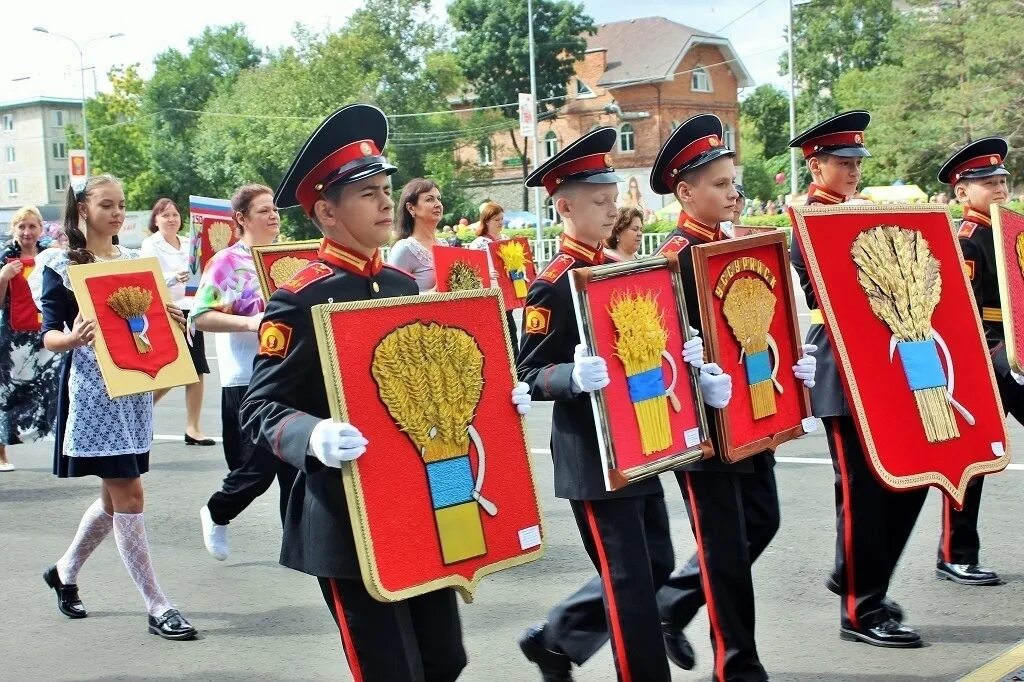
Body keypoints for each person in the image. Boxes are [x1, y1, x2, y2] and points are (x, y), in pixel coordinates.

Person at [239, 104, 532, 681]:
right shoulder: (300, 296)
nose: (382, 202)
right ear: (326, 211)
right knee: (390, 669)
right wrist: (314, 434)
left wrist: (498, 400)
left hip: (422, 500)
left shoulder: (401, 284)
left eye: (384, 188)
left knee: (444, 659)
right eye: (367, 192)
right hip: (347, 518)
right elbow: (259, 408)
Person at [515, 127, 728, 682]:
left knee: (655, 561)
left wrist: (687, 363)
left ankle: (557, 638)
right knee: (630, 582)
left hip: (641, 439)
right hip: (591, 454)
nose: (612, 210)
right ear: (564, 206)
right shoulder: (553, 283)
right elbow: (530, 372)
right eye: (599, 201)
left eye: (613, 198)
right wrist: (573, 376)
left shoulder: (621, 266)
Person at [649, 114, 816, 680]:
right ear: (684, 191)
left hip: (753, 414)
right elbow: (660, 352)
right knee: (722, 548)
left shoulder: (736, 244)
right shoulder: (672, 257)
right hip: (706, 429)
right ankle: (738, 667)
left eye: (732, 181)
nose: (733, 193)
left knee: (761, 522)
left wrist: (789, 368)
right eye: (719, 185)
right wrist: (698, 381)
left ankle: (671, 605)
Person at [789, 111, 925, 648]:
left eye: (855, 163)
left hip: (887, 361)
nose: (852, 172)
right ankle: (862, 609)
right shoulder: (808, 222)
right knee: (863, 493)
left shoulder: (860, 213)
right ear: (815, 165)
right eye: (841, 163)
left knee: (911, 475)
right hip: (842, 365)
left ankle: (857, 576)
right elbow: (840, 292)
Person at [39, 175, 196, 640]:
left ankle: (64, 572)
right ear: (83, 209)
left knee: (113, 500)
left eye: (122, 205)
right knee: (130, 495)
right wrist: (72, 337)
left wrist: (170, 319)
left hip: (134, 390)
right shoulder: (58, 263)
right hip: (94, 394)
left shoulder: (134, 261)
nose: (117, 213)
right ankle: (157, 604)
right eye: (107, 204)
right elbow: (49, 334)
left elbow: (146, 322)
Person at [193, 183, 298, 562]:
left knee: (297, 466)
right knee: (257, 469)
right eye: (264, 210)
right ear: (241, 218)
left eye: (275, 210)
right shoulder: (227, 262)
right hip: (246, 378)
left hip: (291, 374)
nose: (274, 216)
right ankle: (217, 511)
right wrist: (250, 323)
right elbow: (200, 317)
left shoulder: (290, 260)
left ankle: (297, 545)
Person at [933, 138, 1016, 586]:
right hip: (988, 359)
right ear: (962, 192)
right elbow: (963, 313)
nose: (1000, 188)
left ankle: (957, 552)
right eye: (988, 182)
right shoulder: (967, 242)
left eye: (1002, 180)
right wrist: (997, 355)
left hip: (1014, 351)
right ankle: (955, 554)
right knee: (974, 458)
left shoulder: (1011, 232)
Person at [140, 198, 213, 446]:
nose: (171, 219)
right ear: (156, 220)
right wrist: (172, 277)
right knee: (173, 371)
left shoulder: (189, 244)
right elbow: (146, 276)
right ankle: (140, 411)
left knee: (197, 370)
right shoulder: (151, 244)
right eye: (165, 215)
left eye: (174, 214)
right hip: (166, 311)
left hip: (191, 310)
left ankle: (193, 427)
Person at [0, 205, 60, 471]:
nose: (27, 232)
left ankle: (58, 445)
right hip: (12, 338)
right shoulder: (4, 257)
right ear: (14, 230)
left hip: (44, 333)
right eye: (21, 226)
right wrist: (3, 278)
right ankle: (1, 454)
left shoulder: (50, 254)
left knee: (53, 389)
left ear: (40, 229)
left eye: (32, 226)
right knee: (7, 393)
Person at [468, 201, 520, 349]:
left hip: (506, 294)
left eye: (502, 219)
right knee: (493, 336)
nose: (500, 222)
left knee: (511, 334)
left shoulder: (505, 240)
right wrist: (486, 273)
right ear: (486, 221)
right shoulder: (478, 244)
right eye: (496, 220)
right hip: (488, 295)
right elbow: (472, 271)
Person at [387, 178, 446, 292]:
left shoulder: (444, 245)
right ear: (411, 208)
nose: (438, 204)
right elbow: (392, 295)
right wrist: (428, 296)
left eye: (439, 199)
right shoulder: (404, 248)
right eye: (429, 199)